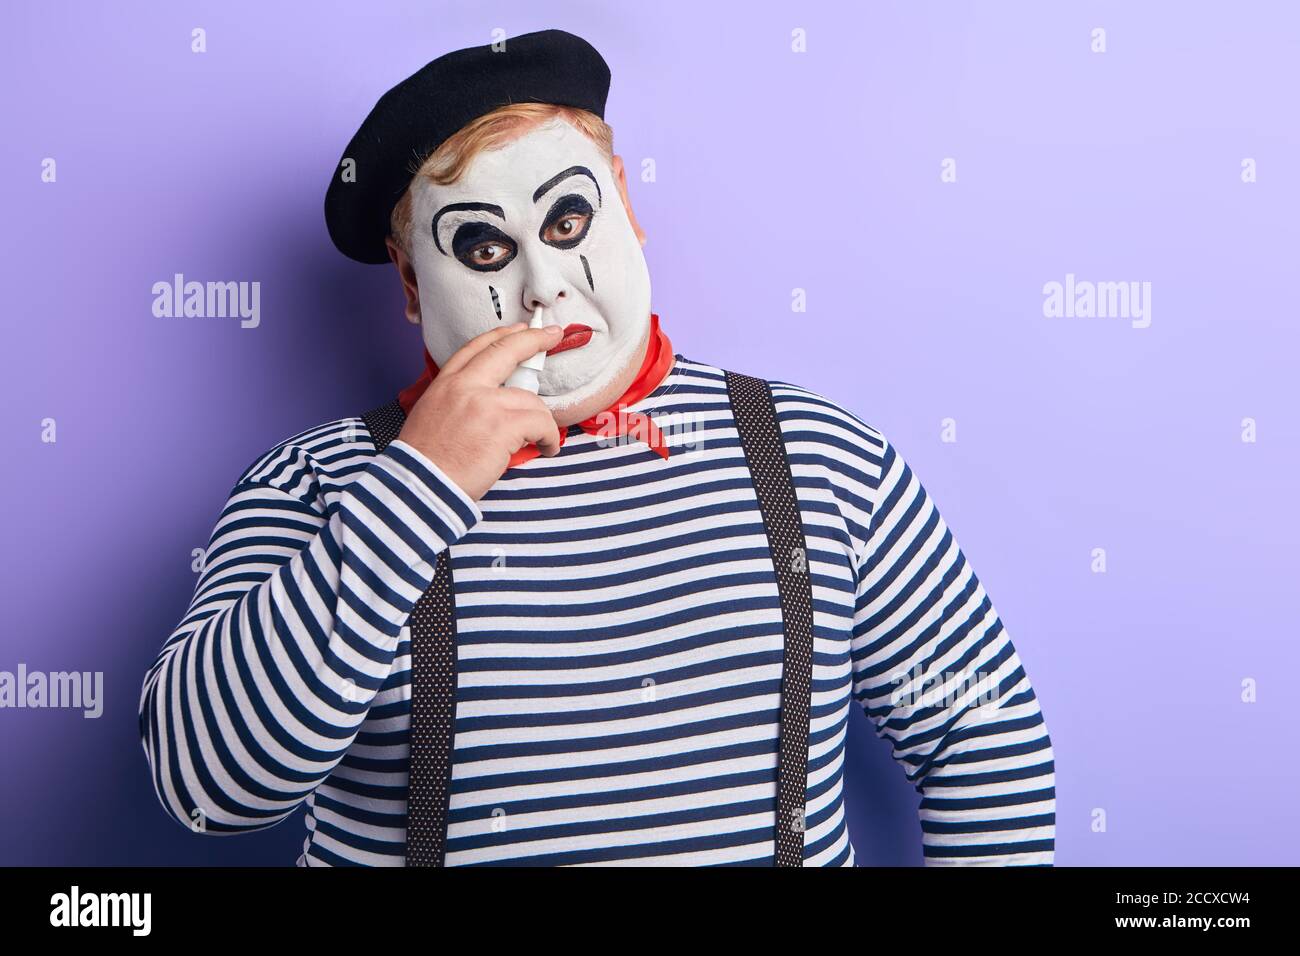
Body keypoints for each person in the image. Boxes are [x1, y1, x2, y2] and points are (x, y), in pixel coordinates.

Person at [138, 29, 1055, 867]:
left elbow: (986, 734)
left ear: (624, 207)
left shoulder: (815, 455)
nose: (545, 287)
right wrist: (419, 485)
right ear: (413, 283)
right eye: (485, 250)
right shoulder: (319, 482)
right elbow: (207, 787)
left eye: (567, 224)